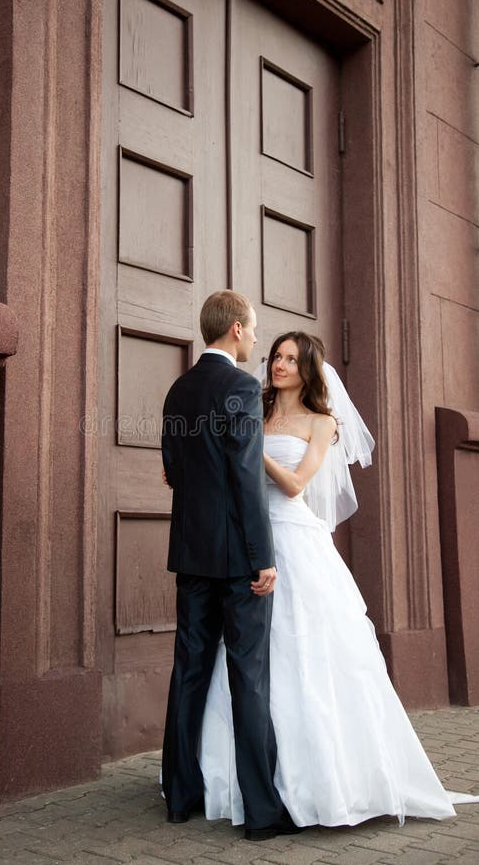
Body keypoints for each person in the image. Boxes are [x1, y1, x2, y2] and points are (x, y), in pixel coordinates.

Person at [198, 330, 460, 828]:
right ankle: (235, 774)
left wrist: (254, 450)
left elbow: (297, 484)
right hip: (246, 539)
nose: (278, 365)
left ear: (309, 370)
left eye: (291, 360)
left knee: (307, 652)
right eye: (276, 356)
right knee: (244, 655)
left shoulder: (322, 423)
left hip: (295, 540)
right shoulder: (254, 405)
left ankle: (325, 781)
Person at [161, 291, 301, 841]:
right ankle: (263, 814)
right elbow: (246, 477)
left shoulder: (178, 388)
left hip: (191, 553)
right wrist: (262, 557)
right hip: (237, 561)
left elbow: (171, 469)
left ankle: (179, 796)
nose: (259, 341)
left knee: (189, 670)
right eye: (256, 330)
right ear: (238, 330)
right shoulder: (241, 387)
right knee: (249, 676)